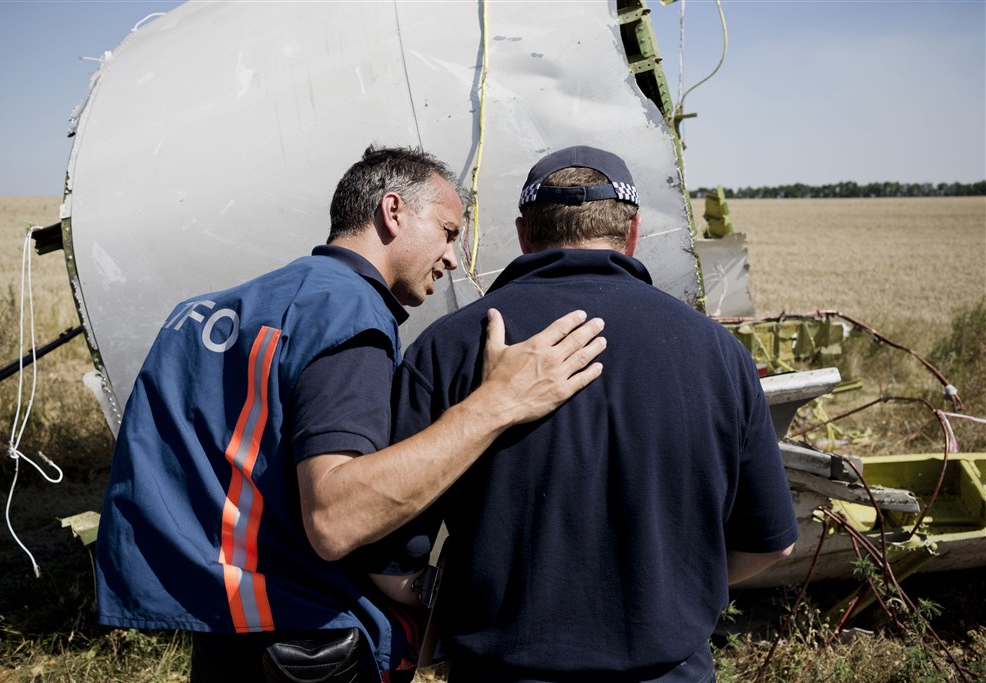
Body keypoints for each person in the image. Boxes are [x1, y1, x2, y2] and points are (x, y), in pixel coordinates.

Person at [94, 145, 606, 682]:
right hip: (309, 647)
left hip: (222, 631)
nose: (453, 257)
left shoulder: (207, 312)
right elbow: (335, 520)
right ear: (393, 211)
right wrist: (496, 405)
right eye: (448, 232)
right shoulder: (345, 309)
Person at [386, 146, 799, 682]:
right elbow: (771, 541)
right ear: (631, 234)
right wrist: (673, 593)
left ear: (523, 234)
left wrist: (462, 600)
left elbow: (388, 554)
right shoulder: (718, 352)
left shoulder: (449, 346)